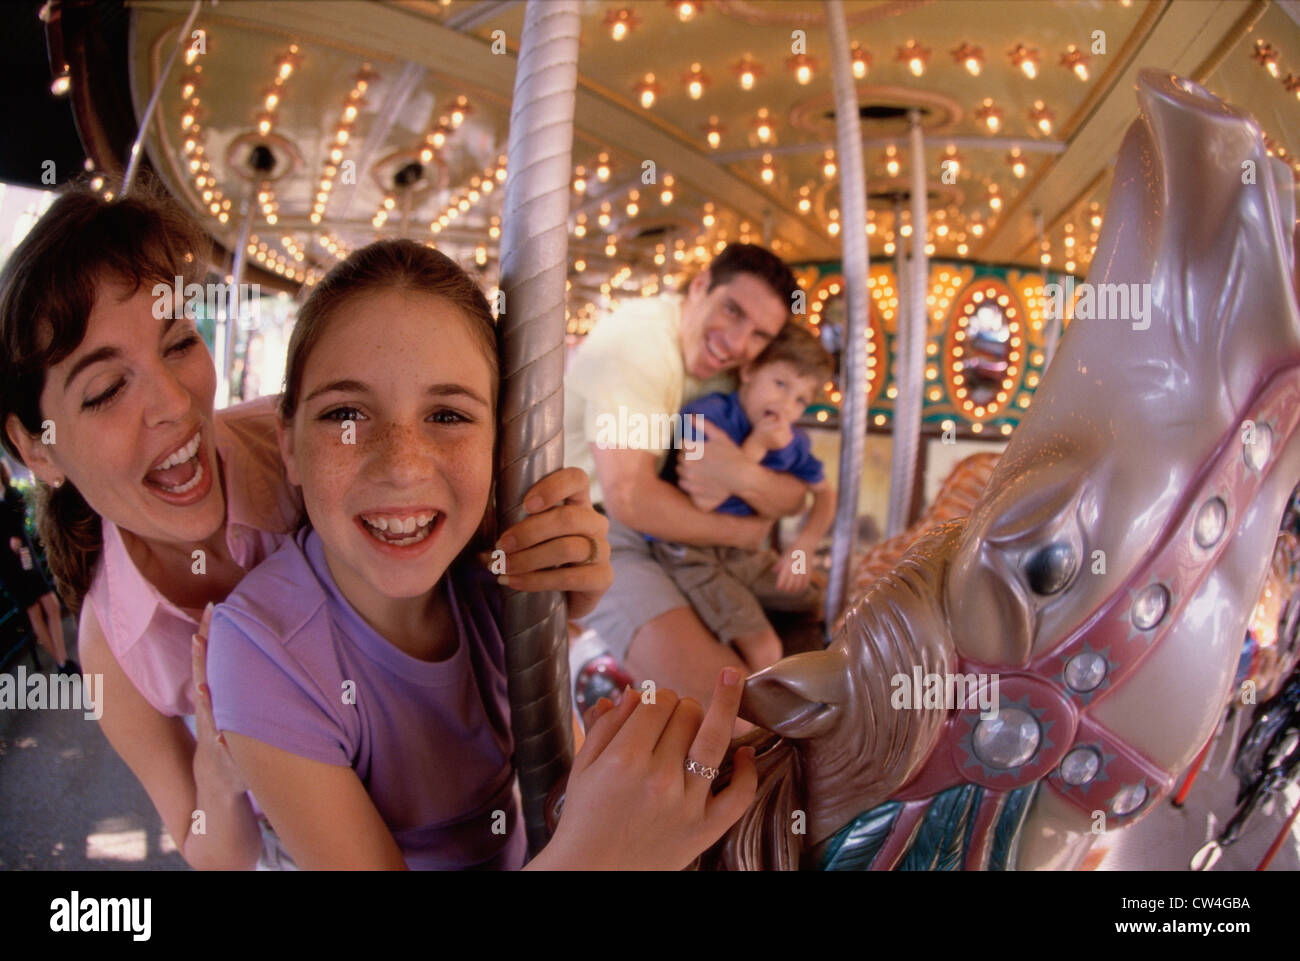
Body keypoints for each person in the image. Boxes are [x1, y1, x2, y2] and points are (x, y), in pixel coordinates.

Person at [206, 239, 757, 869]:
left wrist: (565, 612)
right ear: (288, 445)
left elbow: (555, 786)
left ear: (501, 441)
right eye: (345, 414)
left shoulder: (492, 576)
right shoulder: (261, 649)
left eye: (446, 415)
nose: (402, 467)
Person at [563, 243, 811, 706]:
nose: (737, 342)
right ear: (699, 286)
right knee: (733, 706)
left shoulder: (731, 369)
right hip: (593, 528)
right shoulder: (637, 345)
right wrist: (743, 529)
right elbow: (630, 498)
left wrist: (741, 476)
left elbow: (797, 495)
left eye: (759, 334)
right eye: (731, 311)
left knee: (811, 626)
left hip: (676, 533)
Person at [649, 323, 836, 674]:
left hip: (742, 553)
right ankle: (755, 722)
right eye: (780, 384)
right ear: (749, 371)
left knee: (813, 600)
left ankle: (804, 694)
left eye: (800, 400)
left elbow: (825, 493)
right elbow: (707, 499)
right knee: (765, 648)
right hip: (691, 552)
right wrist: (758, 446)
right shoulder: (706, 416)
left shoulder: (791, 439)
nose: (786, 405)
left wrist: (804, 545)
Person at [0, 460, 75, 673]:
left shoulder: (11, 493)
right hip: (9, 567)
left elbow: (19, 516)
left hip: (26, 559)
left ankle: (62, 660)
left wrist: (13, 535)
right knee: (34, 612)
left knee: (51, 604)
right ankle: (62, 663)